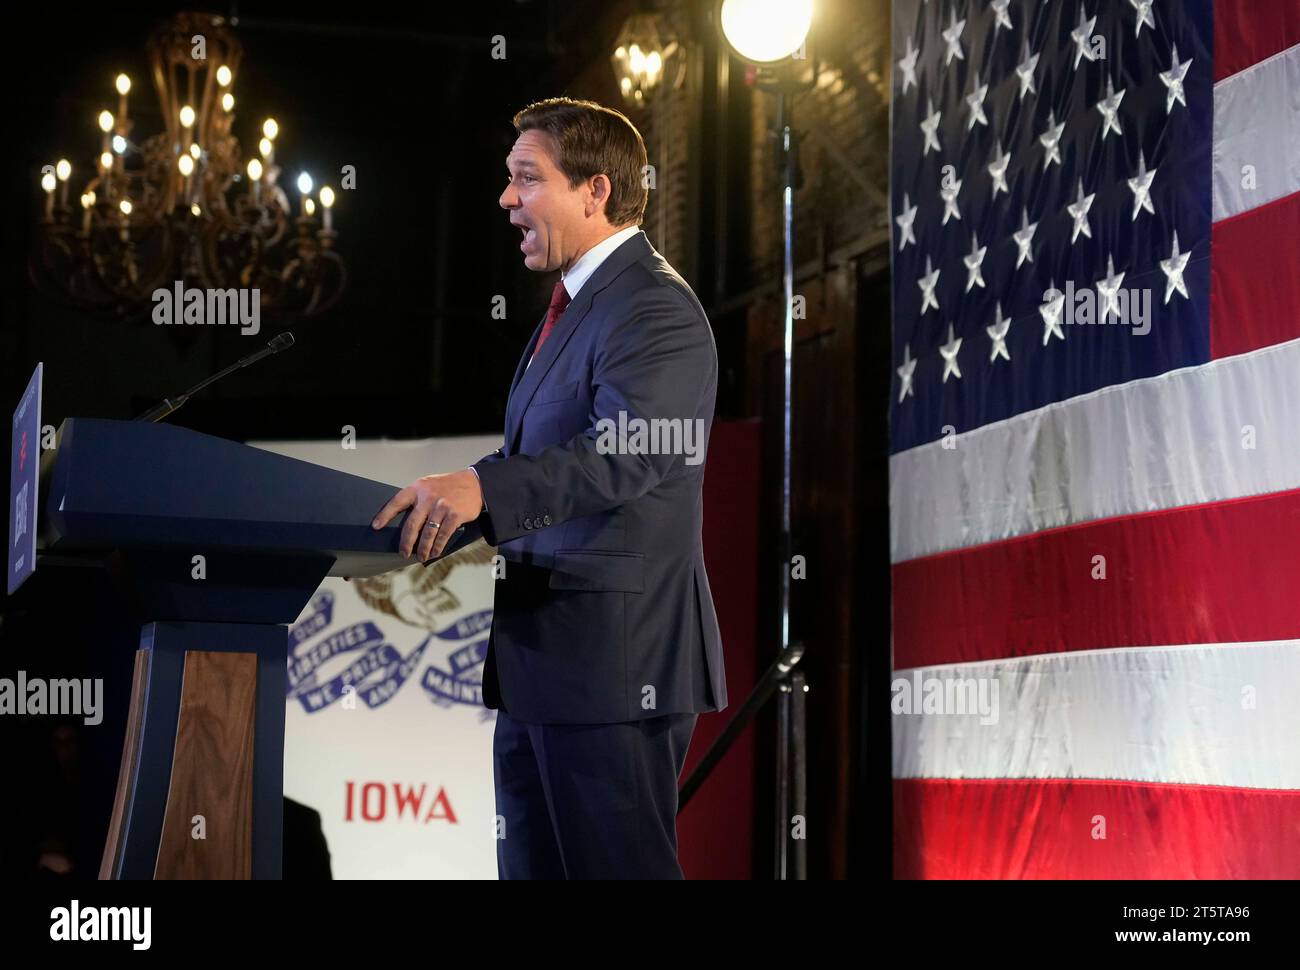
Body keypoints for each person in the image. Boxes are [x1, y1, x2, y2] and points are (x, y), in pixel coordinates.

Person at [370, 97, 727, 879]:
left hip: (613, 666)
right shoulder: (571, 308)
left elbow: (626, 454)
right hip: (546, 663)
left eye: (527, 179)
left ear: (595, 191)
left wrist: (483, 488)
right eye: (509, 179)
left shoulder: (653, 305)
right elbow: (547, 454)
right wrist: (445, 509)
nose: (507, 200)